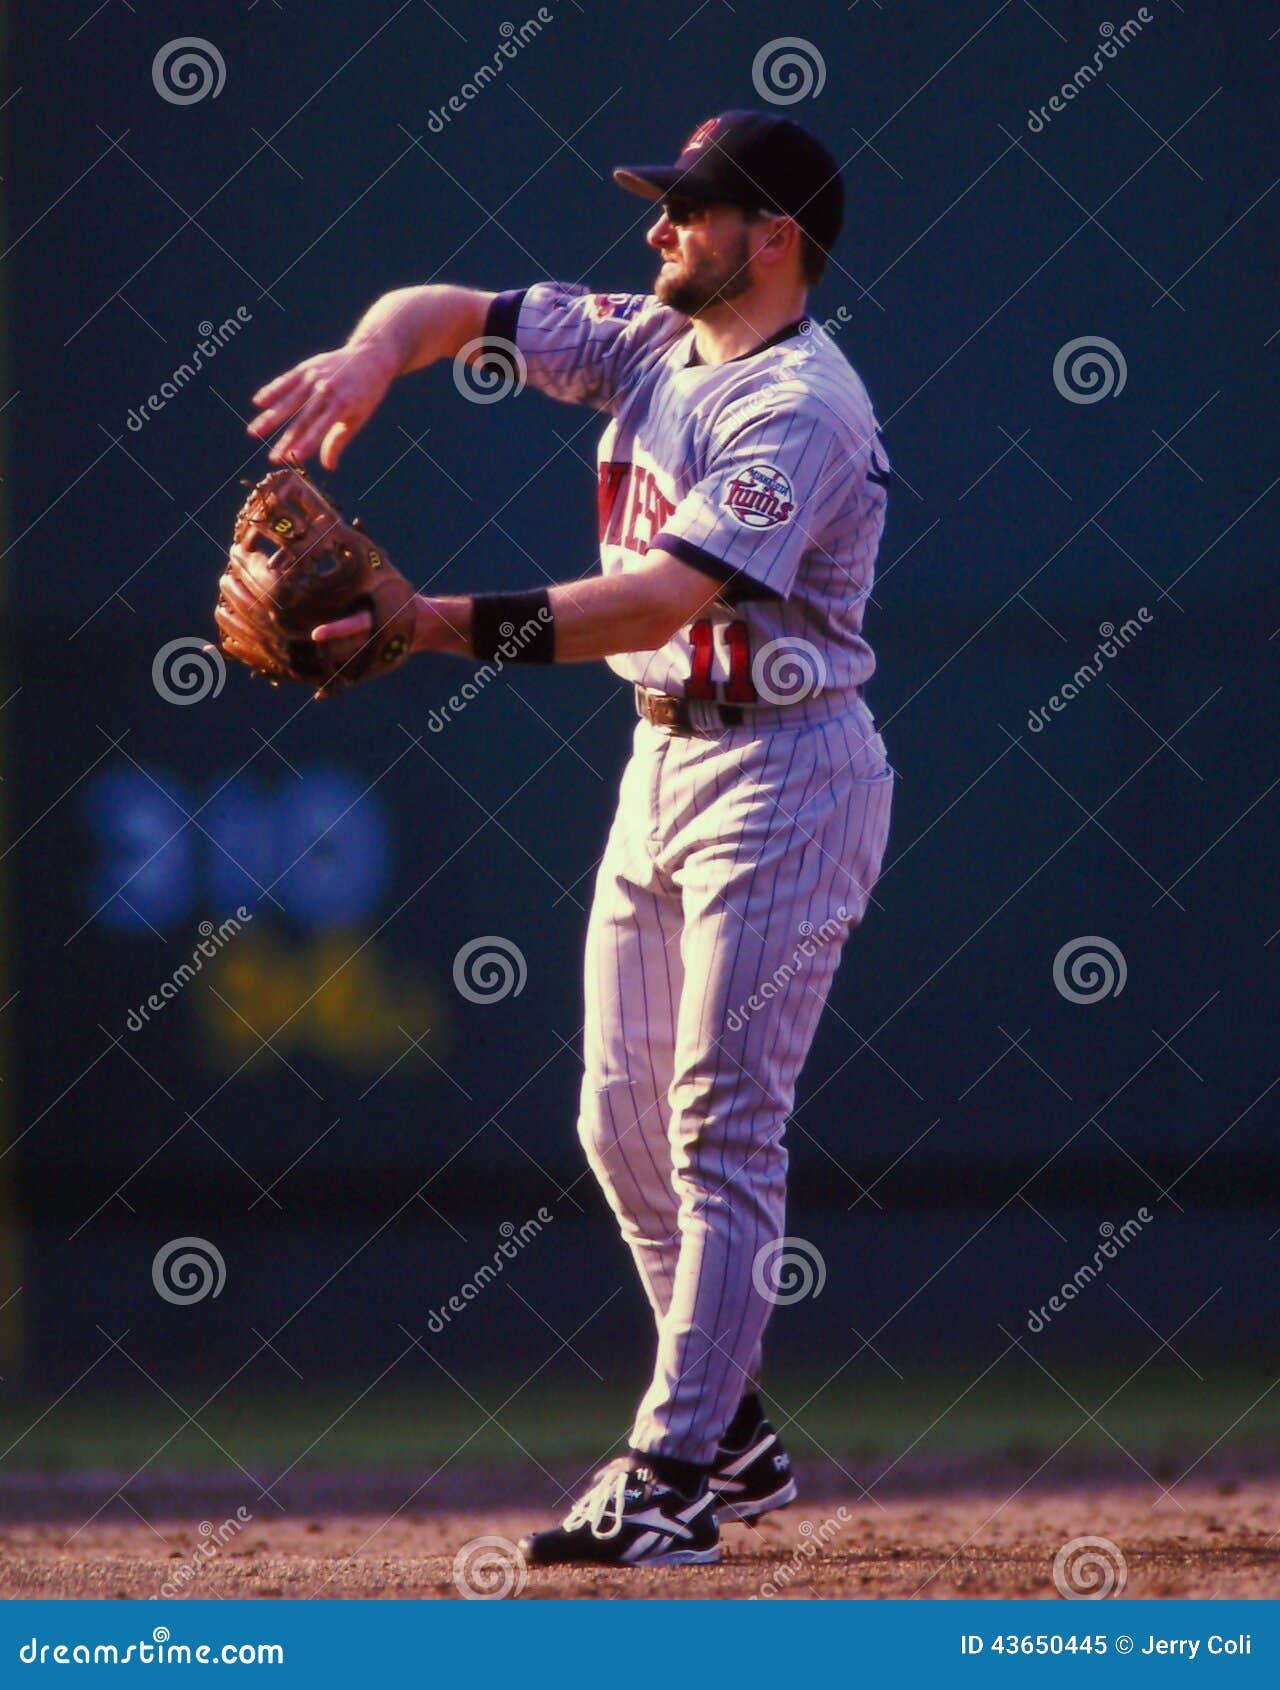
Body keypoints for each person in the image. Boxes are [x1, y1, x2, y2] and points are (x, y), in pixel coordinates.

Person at [248, 110, 894, 1568]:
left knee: (723, 1128)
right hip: (663, 765)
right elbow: (447, 312)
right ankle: (730, 1429)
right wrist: (371, 351)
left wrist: (421, 626)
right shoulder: (649, 341)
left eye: (690, 211)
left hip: (788, 775)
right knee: (616, 1121)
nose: (659, 231)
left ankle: (671, 1467)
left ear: (771, 239)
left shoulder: (800, 406)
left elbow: (664, 599)